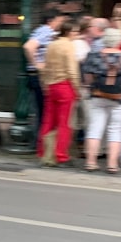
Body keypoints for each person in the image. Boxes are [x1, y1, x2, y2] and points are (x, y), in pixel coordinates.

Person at [82, 28, 121, 174]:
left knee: (95, 128)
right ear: (119, 41)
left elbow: (87, 77)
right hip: (119, 97)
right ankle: (112, 164)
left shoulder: (93, 55)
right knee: (116, 130)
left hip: (97, 95)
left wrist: (93, 86)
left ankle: (91, 162)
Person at [38, 19, 80, 167]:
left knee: (48, 121)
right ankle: (61, 156)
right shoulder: (69, 46)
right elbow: (72, 71)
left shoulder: (51, 45)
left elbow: (45, 67)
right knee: (64, 123)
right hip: (65, 86)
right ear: (69, 32)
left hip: (51, 86)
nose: (77, 35)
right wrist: (77, 89)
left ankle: (43, 153)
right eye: (75, 32)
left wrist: (45, 84)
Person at [23, 11, 64, 134]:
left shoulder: (43, 31)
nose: (61, 24)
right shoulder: (46, 31)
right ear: (51, 21)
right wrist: (36, 64)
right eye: (60, 21)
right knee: (44, 111)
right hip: (40, 75)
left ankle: (40, 142)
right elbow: (28, 46)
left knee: (42, 110)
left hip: (37, 75)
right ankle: (41, 142)